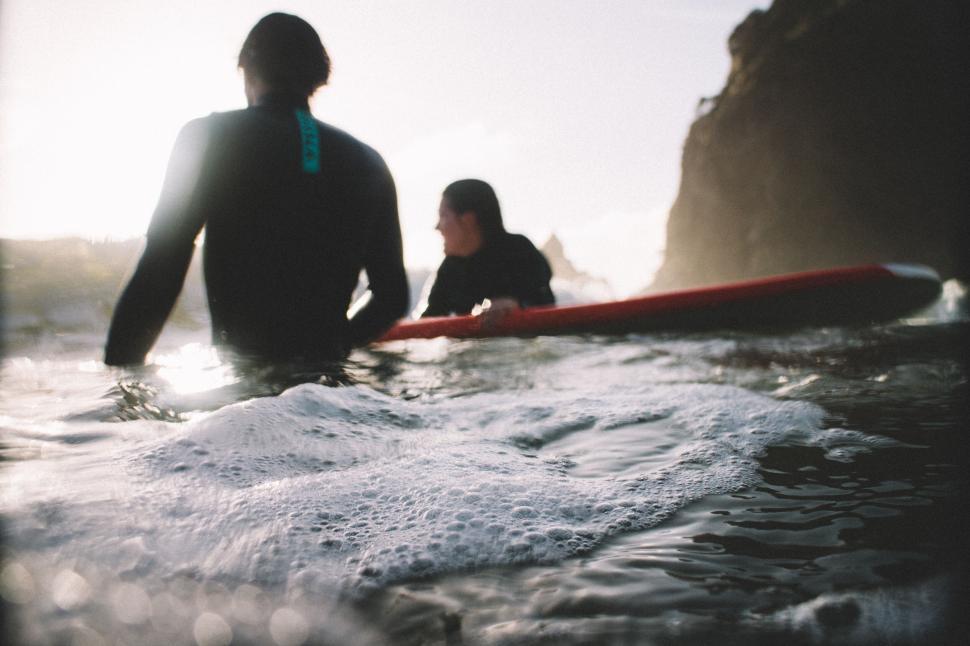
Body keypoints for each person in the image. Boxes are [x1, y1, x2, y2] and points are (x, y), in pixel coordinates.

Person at [105, 13, 409, 366]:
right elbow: (392, 296)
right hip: (329, 387)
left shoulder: (210, 137)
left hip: (244, 391)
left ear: (246, 67)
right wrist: (336, 346)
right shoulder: (368, 162)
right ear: (318, 75)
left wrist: (118, 387)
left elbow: (162, 264)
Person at [420, 179, 554, 320]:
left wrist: (516, 305)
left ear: (468, 220)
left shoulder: (519, 252)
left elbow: (544, 303)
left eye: (443, 216)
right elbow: (428, 322)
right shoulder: (450, 268)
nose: (437, 227)